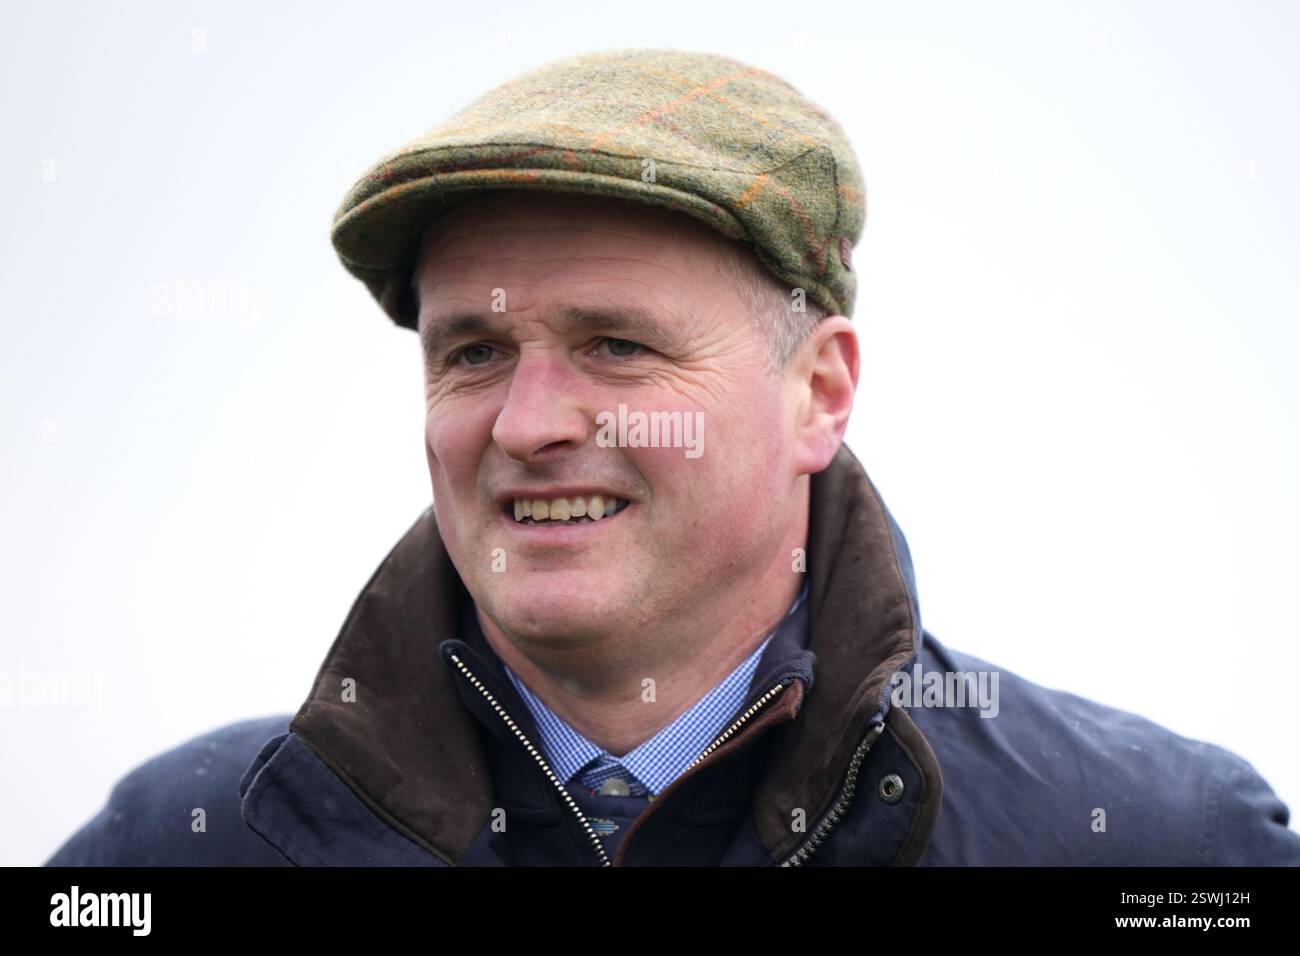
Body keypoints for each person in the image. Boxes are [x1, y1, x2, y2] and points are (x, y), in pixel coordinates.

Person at [46, 48, 1299, 867]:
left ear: (819, 393)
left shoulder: (1159, 850)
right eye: (474, 352)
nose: (530, 422)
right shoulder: (169, 849)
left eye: (617, 345)